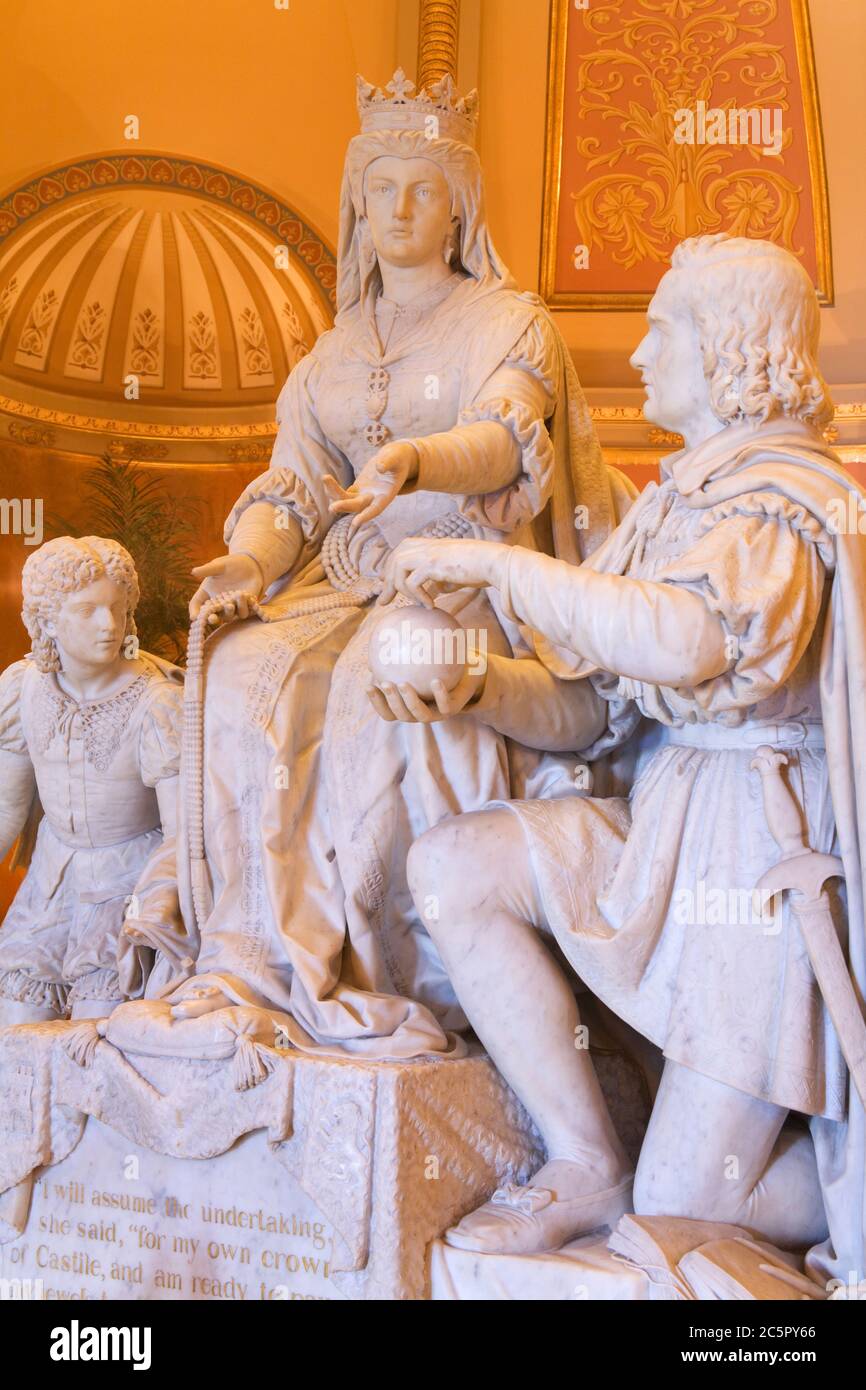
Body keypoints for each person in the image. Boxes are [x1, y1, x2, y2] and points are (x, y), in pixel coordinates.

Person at [385, 234, 866, 1286]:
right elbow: (588, 711)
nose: (637, 354)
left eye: (660, 329)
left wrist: (495, 566)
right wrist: (471, 687)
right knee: (455, 865)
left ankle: (828, 1184)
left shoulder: (786, 503)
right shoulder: (672, 504)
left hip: (751, 864)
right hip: (662, 828)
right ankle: (583, 1159)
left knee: (689, 1203)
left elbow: (684, 641)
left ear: (728, 346)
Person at [150, 70, 633, 1058]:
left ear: (458, 205)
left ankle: (375, 965)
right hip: (343, 574)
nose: (399, 208)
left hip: (468, 568)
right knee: (240, 668)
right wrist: (249, 561)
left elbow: (504, 439)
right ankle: (247, 959)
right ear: (356, 205)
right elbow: (292, 487)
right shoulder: (328, 353)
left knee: (386, 669)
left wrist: (416, 460)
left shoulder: (506, 317)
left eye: (421, 188)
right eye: (381, 188)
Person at [0, 537, 186, 1025]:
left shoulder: (158, 703)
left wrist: (158, 908)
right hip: (50, 881)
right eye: (87, 611)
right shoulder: (23, 689)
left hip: (128, 885)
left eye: (117, 609)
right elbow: (6, 810)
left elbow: (183, 835)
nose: (109, 625)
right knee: (17, 1024)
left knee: (95, 1037)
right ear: (46, 621)